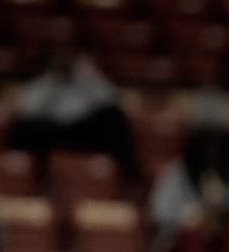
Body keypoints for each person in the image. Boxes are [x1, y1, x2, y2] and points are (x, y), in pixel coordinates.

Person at [7, 43, 138, 180]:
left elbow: (112, 98)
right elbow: (29, 111)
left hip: (83, 131)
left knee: (114, 116)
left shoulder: (86, 78)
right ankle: (23, 175)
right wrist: (54, 81)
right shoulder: (42, 83)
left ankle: (129, 177)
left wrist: (84, 75)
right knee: (21, 126)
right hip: (53, 131)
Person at [147, 132, 229, 252]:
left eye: (215, 153)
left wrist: (227, 215)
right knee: (194, 236)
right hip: (180, 238)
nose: (210, 157)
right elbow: (159, 212)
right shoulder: (176, 174)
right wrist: (192, 217)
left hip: (220, 238)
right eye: (207, 152)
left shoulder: (223, 175)